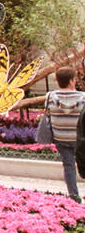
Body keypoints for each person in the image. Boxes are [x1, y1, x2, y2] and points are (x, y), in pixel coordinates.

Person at [42, 66, 85, 200]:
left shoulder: (50, 96)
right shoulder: (83, 97)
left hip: (61, 137)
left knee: (68, 165)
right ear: (72, 81)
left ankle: (73, 195)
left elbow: (47, 115)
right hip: (81, 139)